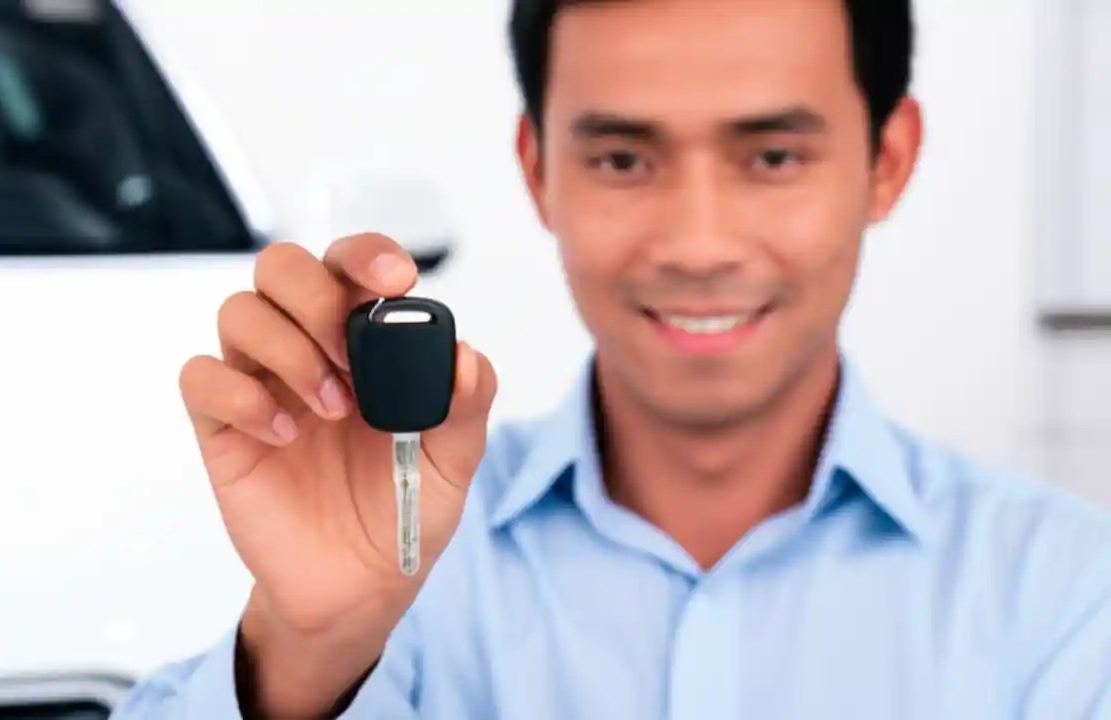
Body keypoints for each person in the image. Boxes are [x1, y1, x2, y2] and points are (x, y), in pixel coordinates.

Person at [113, 0, 1111, 717]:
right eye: (623, 159)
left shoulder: (1065, 597)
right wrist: (305, 649)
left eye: (771, 157)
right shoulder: (403, 566)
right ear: (537, 170)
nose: (695, 241)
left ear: (884, 162)